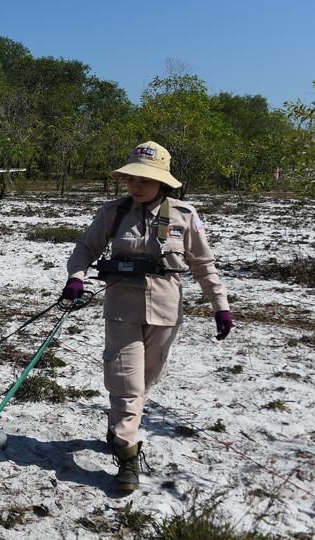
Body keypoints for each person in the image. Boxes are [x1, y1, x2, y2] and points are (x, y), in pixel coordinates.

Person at [61, 141, 233, 493]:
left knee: (144, 382)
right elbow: (86, 248)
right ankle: (127, 454)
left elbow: (203, 265)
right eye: (132, 179)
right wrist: (76, 277)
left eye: (145, 180)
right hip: (121, 311)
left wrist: (220, 306)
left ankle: (117, 428)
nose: (136, 185)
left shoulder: (184, 215)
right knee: (128, 384)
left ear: (162, 182)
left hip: (166, 313)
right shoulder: (113, 212)